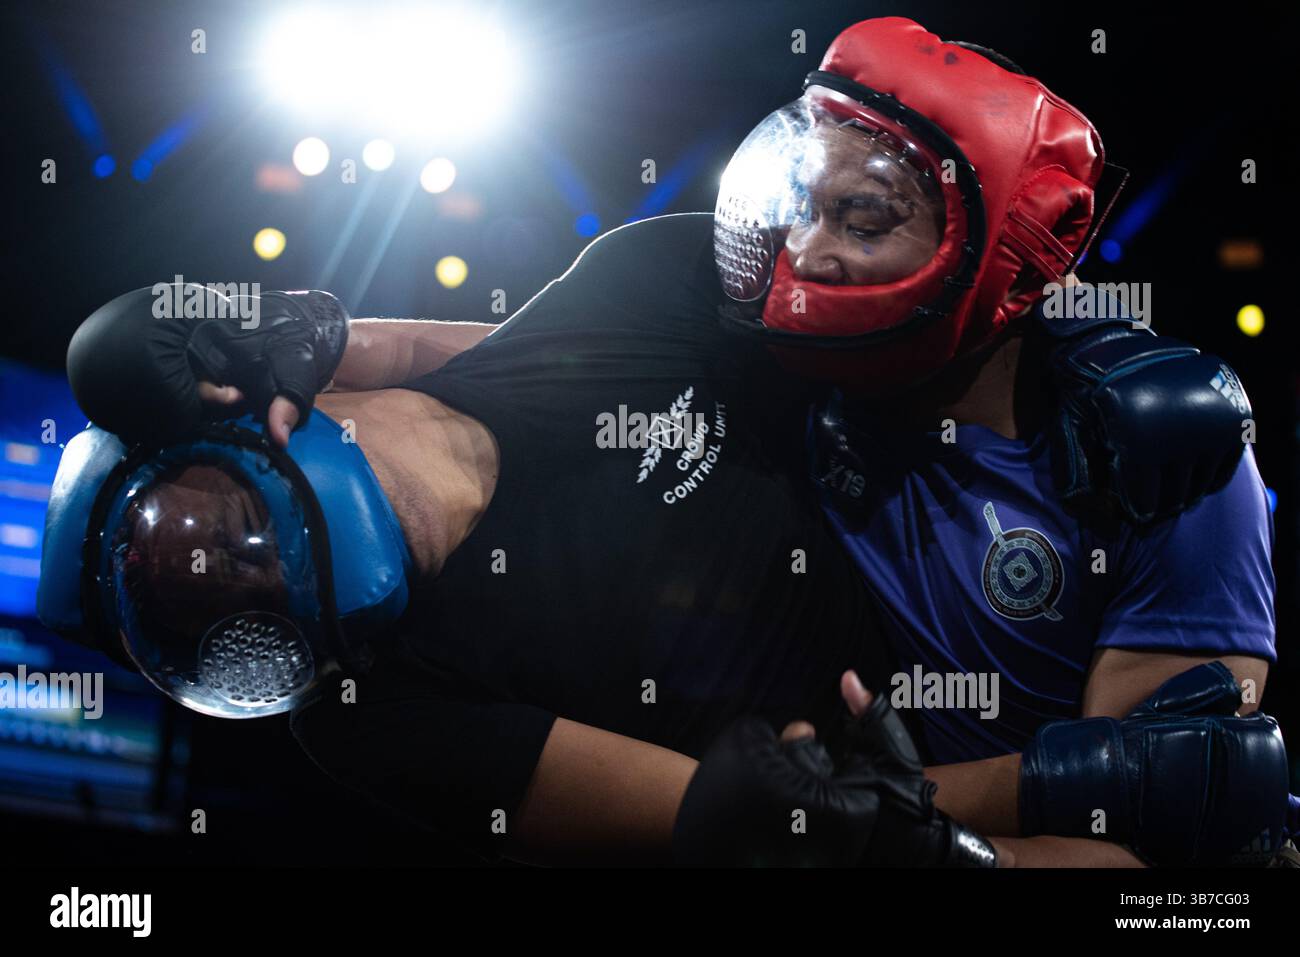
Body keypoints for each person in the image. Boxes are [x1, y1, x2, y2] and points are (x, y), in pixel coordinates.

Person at [39, 16, 1290, 867]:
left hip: (1009, 688)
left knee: (1195, 824)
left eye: (215, 540)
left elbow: (456, 349)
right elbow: (768, 814)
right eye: (214, 617)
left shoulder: (637, 292)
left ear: (254, 418)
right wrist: (1014, 805)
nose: (239, 584)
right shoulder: (362, 710)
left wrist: (258, 318)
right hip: (875, 794)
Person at [712, 16, 1292, 864]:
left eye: (864, 220)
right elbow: (511, 359)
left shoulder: (1167, 459)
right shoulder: (769, 367)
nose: (808, 253)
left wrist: (898, 824)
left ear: (1009, 263)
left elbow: (1162, 823)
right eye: (800, 208)